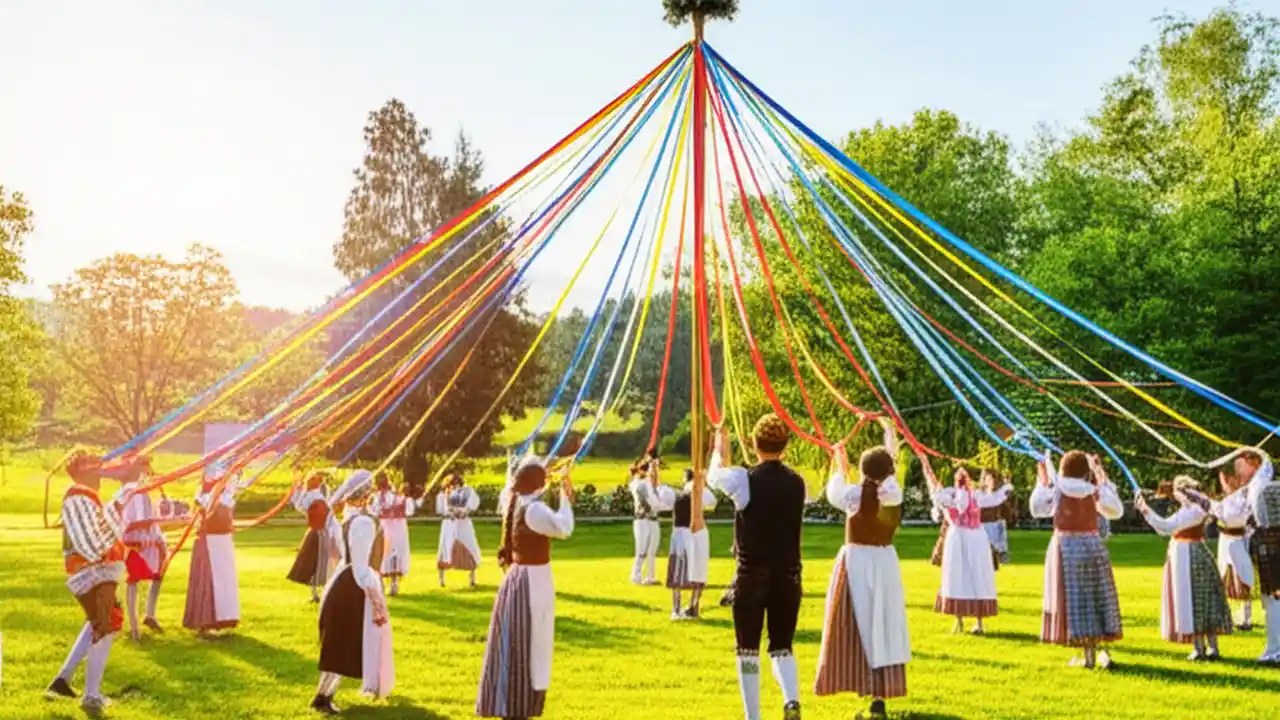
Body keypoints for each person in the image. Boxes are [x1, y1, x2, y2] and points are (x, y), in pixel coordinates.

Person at [708, 416, 806, 720]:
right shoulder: (797, 482)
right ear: (785, 446)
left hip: (752, 576)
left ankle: (753, 716)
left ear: (753, 443)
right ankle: (791, 699)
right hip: (789, 575)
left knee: (747, 648)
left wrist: (718, 446)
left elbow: (713, 477)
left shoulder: (743, 479)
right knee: (782, 646)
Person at [814, 419, 910, 720]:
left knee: (856, 620)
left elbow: (833, 488)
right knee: (882, 622)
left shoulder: (851, 496)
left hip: (855, 561)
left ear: (863, 470)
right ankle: (880, 693)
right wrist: (889, 433)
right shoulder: (893, 493)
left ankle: (862, 684)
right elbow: (891, 467)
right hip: (883, 563)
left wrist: (839, 460)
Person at [475, 457, 575, 719]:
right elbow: (564, 528)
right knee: (531, 641)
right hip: (532, 580)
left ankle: (515, 702)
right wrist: (565, 494)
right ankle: (519, 704)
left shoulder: (519, 503)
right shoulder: (534, 510)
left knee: (523, 639)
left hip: (523, 578)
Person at [46, 452, 143, 716]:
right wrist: (128, 488)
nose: (100, 472)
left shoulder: (84, 497)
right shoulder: (79, 496)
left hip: (95, 570)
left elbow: (103, 525)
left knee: (98, 623)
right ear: (82, 471)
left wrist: (130, 485)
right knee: (106, 623)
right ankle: (91, 696)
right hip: (93, 572)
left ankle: (62, 680)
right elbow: (93, 540)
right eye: (95, 467)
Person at [1029, 451, 1125, 669]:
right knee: (1094, 598)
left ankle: (1087, 655)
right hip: (1092, 545)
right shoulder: (1093, 490)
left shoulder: (1058, 487)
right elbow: (1116, 511)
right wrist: (1100, 475)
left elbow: (1037, 509)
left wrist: (1042, 479)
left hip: (1066, 547)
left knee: (1074, 601)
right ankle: (1094, 652)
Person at [313, 469, 394, 714]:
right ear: (366, 495)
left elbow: (343, 558)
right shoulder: (363, 523)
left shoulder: (347, 521)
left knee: (341, 642)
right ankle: (323, 696)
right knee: (344, 642)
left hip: (343, 581)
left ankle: (324, 694)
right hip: (353, 587)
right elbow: (360, 567)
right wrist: (375, 590)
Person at [1134, 475, 1233, 660]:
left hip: (1188, 555)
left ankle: (1200, 648)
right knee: (1205, 599)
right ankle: (1211, 647)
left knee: (1192, 599)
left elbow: (1166, 526)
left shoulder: (1192, 510)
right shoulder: (1194, 508)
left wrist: (1145, 510)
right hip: (1194, 552)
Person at [929, 466, 1010, 635]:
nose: (962, 479)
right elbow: (938, 495)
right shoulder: (951, 495)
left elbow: (995, 498)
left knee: (976, 574)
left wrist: (1006, 487)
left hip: (972, 538)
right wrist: (930, 473)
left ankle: (977, 622)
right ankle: (959, 620)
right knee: (957, 575)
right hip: (961, 538)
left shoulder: (974, 496)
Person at [1232, 447, 1280, 664]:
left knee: (1273, 601)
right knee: (1272, 601)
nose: (1237, 471)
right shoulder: (1258, 487)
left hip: (1270, 552)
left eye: (1240, 465)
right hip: (1268, 551)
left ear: (1253, 463)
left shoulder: (1260, 488)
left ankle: (1275, 649)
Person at [114, 457, 170, 642]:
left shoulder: (143, 491)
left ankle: (150, 615)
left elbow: (149, 520)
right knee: (134, 579)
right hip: (136, 543)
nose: (149, 470)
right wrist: (163, 521)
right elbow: (136, 522)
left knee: (157, 574)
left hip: (150, 540)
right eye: (145, 466)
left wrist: (159, 536)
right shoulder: (133, 491)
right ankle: (134, 627)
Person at [183, 462, 241, 635]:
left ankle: (222, 619)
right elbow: (202, 512)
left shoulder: (226, 496)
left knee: (223, 579)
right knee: (208, 578)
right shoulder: (206, 496)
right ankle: (204, 620)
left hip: (223, 541)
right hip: (209, 541)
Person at [667, 468, 718, 619]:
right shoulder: (694, 491)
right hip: (688, 533)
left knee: (682, 570)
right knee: (694, 570)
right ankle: (691, 607)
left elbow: (710, 502)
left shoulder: (692, 492)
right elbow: (712, 502)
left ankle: (680, 609)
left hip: (688, 533)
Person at [1211, 468, 1255, 630]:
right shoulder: (1226, 501)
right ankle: (1227, 615)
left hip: (1238, 542)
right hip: (1226, 542)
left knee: (1243, 577)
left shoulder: (1243, 500)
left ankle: (1246, 617)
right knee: (1224, 576)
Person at [287, 470, 340, 603]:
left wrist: (297, 490)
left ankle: (317, 592)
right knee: (318, 561)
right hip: (321, 533)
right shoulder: (317, 497)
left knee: (317, 561)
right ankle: (318, 591)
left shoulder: (314, 496)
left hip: (318, 533)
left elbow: (300, 506)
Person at [629, 453, 673, 585]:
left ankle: (650, 576)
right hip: (642, 520)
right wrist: (668, 507)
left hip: (652, 519)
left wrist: (653, 463)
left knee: (652, 548)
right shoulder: (639, 484)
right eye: (649, 470)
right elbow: (653, 502)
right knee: (641, 549)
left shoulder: (647, 484)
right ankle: (635, 575)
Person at [373, 473, 418, 597]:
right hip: (394, 528)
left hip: (391, 528)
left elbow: (374, 511)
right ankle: (392, 583)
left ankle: (390, 584)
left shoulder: (383, 497)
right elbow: (409, 511)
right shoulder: (394, 497)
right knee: (391, 553)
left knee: (389, 553)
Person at [435, 470, 482, 588]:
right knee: (445, 549)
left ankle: (472, 579)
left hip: (463, 524)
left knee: (469, 546)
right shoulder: (443, 494)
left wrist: (464, 511)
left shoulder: (468, 492)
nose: (454, 485)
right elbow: (441, 510)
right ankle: (441, 580)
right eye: (452, 483)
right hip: (449, 524)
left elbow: (471, 506)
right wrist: (451, 510)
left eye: (456, 482)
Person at [980, 470, 1015, 564]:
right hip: (983, 527)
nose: (993, 481)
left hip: (995, 526)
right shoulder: (979, 495)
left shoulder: (997, 495)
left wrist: (1007, 482)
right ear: (985, 481)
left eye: (994, 479)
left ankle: (1001, 554)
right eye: (990, 479)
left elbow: (1008, 491)